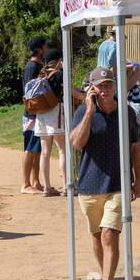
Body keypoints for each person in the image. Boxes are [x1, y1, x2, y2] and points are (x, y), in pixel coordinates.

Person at [69, 67, 140, 280]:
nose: (104, 89)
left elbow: (135, 146)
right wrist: (89, 111)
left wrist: (138, 178)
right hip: (89, 185)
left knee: (110, 235)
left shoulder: (126, 112)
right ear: (91, 89)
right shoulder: (82, 111)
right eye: (99, 85)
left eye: (108, 84)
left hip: (117, 184)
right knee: (98, 237)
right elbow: (77, 143)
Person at [33, 47, 84, 197]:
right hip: (56, 113)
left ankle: (47, 187)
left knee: (45, 152)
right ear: (59, 60)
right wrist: (86, 96)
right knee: (62, 150)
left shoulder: (41, 73)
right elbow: (72, 92)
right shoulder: (59, 74)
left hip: (41, 114)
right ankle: (66, 187)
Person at [21, 36, 47, 195]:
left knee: (37, 149)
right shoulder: (32, 66)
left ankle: (36, 182)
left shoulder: (37, 65)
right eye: (45, 47)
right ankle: (25, 184)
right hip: (31, 114)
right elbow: (30, 91)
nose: (47, 49)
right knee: (30, 149)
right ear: (39, 50)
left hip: (38, 113)